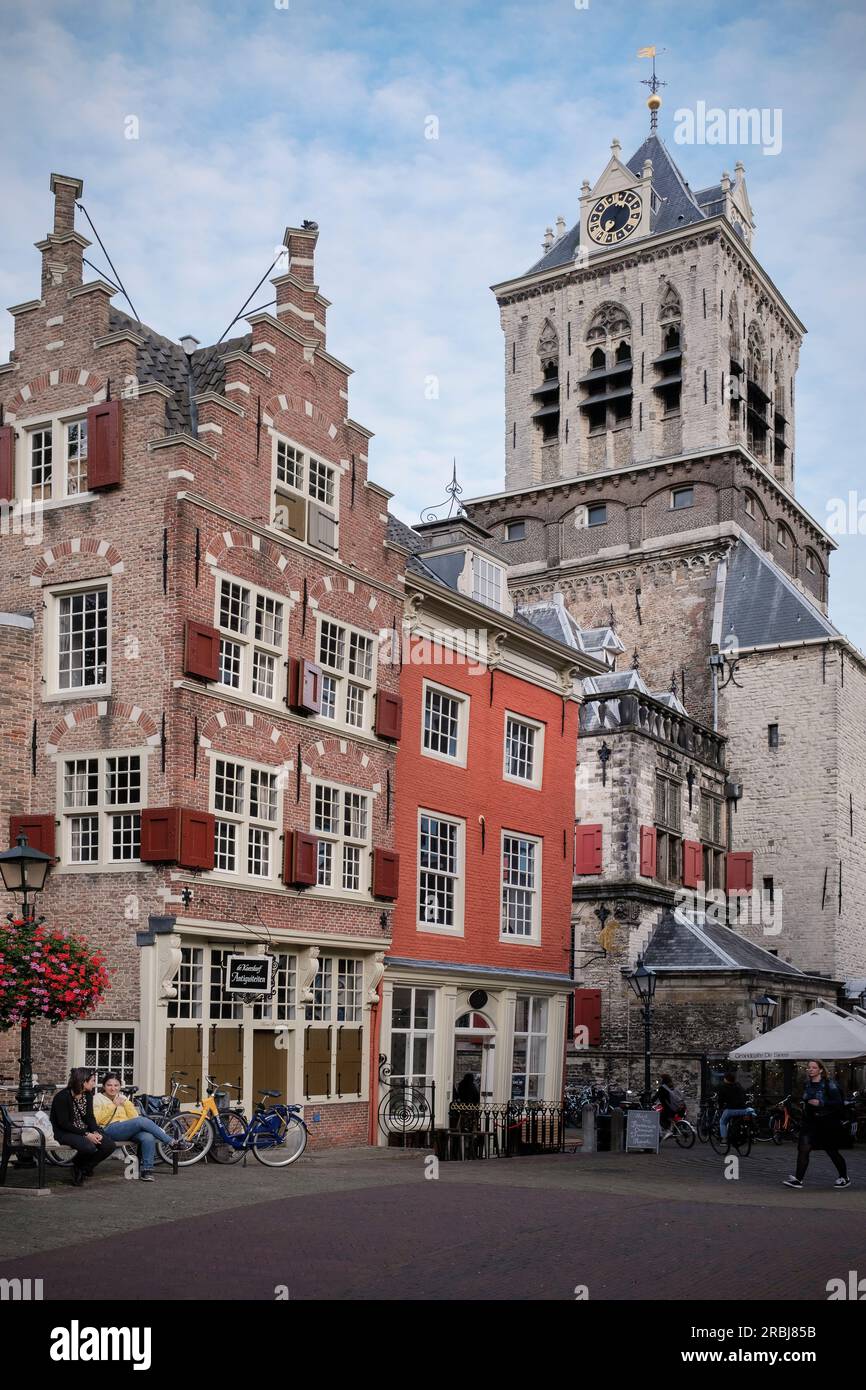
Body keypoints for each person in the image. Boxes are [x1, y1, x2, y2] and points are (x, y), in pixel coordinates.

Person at [93, 1073, 189, 1181]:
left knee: (147, 1136)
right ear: (104, 1086)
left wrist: (127, 1104)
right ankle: (172, 1142)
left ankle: (147, 1171)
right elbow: (97, 1119)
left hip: (127, 1129)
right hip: (109, 1129)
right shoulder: (97, 1098)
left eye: (116, 1085)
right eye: (109, 1085)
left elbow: (133, 1116)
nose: (113, 1088)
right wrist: (113, 1105)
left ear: (120, 1086)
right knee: (141, 1121)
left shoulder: (122, 1098)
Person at [783, 1059, 851, 1189]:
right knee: (803, 1148)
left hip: (827, 1122)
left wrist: (821, 1103)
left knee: (831, 1151)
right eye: (809, 1067)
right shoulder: (807, 1084)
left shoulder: (830, 1084)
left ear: (820, 1070)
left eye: (814, 1067)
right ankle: (798, 1179)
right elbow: (805, 1100)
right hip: (810, 1122)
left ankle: (844, 1177)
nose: (810, 1069)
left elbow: (839, 1103)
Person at [50, 1068, 117, 1186]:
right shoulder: (62, 1097)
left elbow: (90, 1117)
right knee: (89, 1147)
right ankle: (79, 1168)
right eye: (92, 1081)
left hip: (84, 1130)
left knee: (109, 1145)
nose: (94, 1083)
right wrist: (86, 1134)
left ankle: (82, 1168)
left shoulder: (88, 1095)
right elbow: (63, 1123)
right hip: (64, 1132)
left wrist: (95, 1131)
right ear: (83, 1081)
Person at [717, 1071, 753, 1141]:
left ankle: (724, 1139)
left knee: (722, 1122)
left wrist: (720, 1107)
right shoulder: (739, 1086)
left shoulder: (723, 1087)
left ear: (726, 1079)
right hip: (743, 1109)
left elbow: (720, 1100)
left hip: (731, 1110)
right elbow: (744, 1096)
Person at [656, 1073, 678, 1139]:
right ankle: (669, 1129)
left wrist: (650, 1101)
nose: (659, 1080)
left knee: (658, 1118)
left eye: (661, 1079)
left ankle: (668, 1131)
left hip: (668, 1108)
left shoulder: (662, 1088)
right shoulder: (671, 1086)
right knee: (668, 1119)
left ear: (663, 1080)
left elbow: (657, 1096)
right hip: (675, 1106)